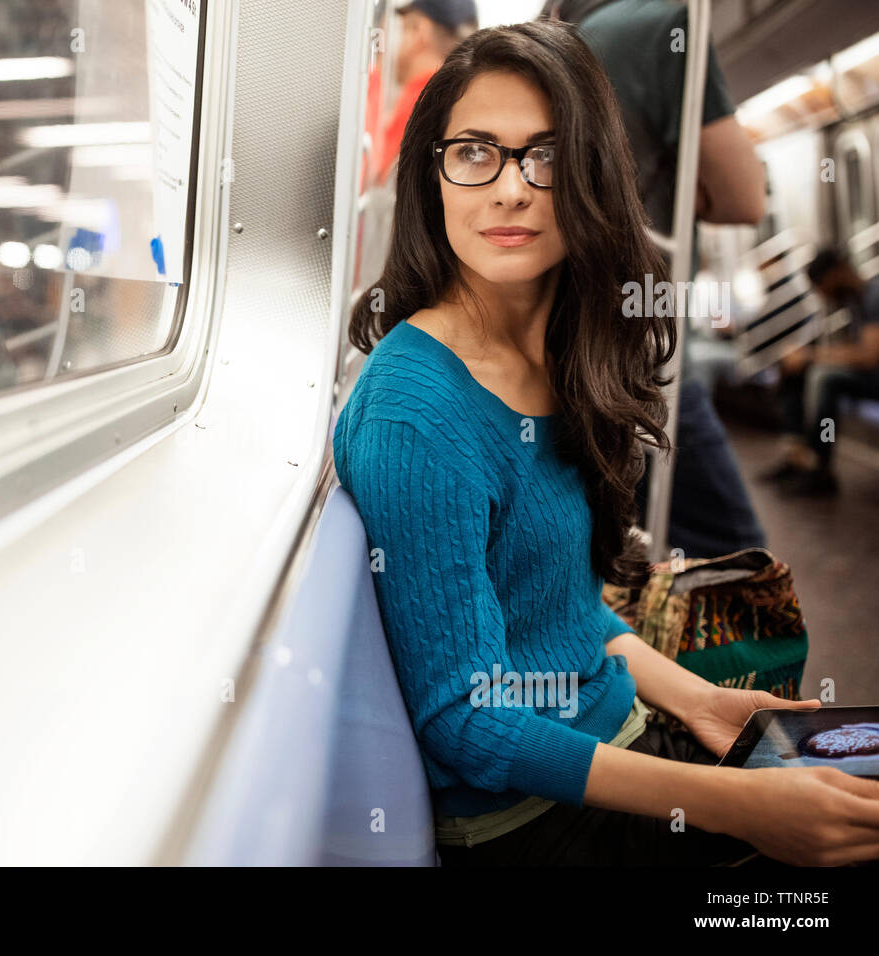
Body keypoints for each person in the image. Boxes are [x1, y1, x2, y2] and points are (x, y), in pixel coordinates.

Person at [333, 21, 879, 865]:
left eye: (545, 156)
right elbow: (467, 718)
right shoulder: (416, 412)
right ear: (430, 173)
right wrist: (739, 806)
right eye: (474, 151)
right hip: (537, 817)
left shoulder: (554, 349)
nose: (511, 188)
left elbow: (548, 600)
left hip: (624, 739)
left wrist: (697, 701)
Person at [543, 0, 769, 558]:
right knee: (738, 564)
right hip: (646, 346)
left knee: (612, 550)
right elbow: (744, 198)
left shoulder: (552, 40)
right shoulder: (669, 24)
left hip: (560, 341)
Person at [757, 248, 879, 497]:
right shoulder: (856, 301)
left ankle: (821, 464)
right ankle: (796, 457)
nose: (822, 293)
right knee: (796, 374)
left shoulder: (874, 296)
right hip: (869, 377)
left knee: (824, 379)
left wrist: (811, 357)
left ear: (838, 273)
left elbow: (869, 357)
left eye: (822, 284)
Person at [371, 0, 477, 187]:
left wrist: (373, 77)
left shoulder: (422, 100)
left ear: (418, 32)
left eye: (401, 28)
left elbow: (371, 175)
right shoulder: (458, 97)